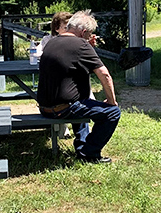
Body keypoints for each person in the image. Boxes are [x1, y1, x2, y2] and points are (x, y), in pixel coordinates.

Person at [37, 10, 120, 164]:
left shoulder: (51, 42)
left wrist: (88, 47)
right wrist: (111, 100)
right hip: (63, 109)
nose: (89, 38)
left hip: (44, 107)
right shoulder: (81, 44)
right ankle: (90, 153)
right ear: (83, 32)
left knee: (81, 100)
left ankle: (82, 148)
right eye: (89, 34)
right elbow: (104, 74)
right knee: (112, 113)